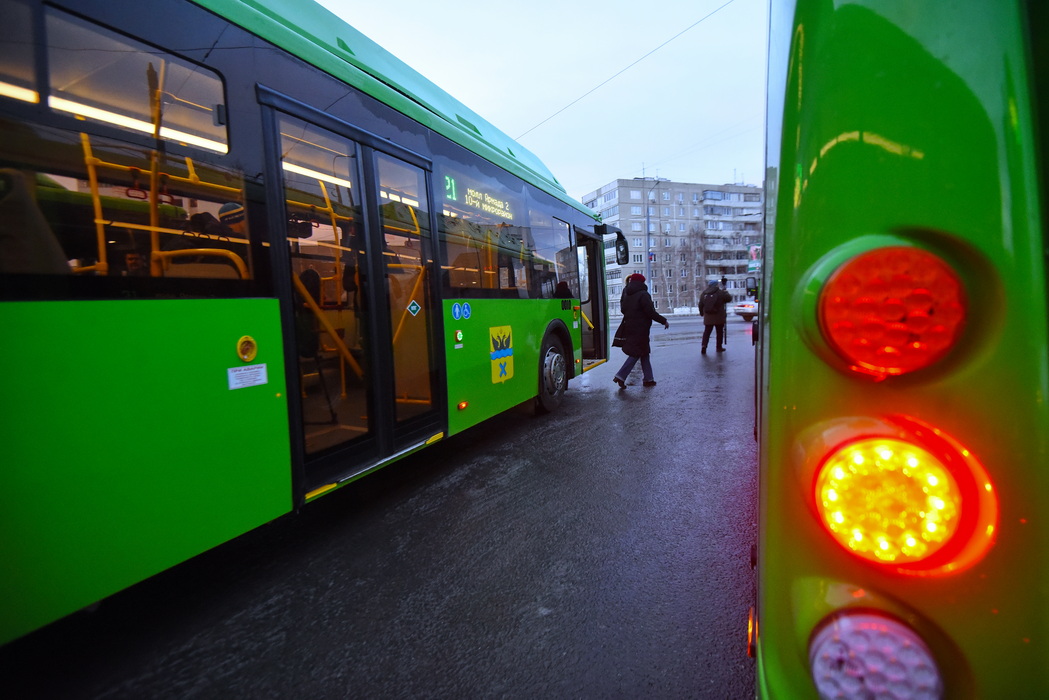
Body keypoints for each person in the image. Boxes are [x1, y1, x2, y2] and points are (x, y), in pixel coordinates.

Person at [612, 273, 669, 389]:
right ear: (642, 282)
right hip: (641, 328)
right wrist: (663, 321)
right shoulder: (643, 294)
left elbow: (623, 309)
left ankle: (648, 378)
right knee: (636, 352)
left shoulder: (626, 293)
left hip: (629, 326)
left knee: (644, 352)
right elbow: (650, 312)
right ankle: (620, 375)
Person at [700, 279, 733, 354]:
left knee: (707, 332)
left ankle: (704, 346)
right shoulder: (720, 293)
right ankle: (719, 347)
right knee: (719, 332)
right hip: (719, 316)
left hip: (708, 317)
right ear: (716, 285)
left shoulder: (704, 293)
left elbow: (700, 304)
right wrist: (726, 292)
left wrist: (702, 313)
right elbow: (729, 299)